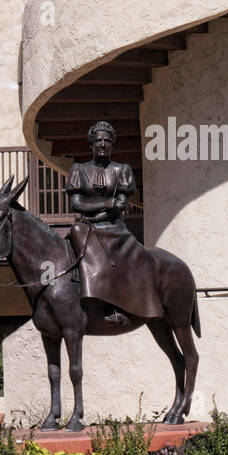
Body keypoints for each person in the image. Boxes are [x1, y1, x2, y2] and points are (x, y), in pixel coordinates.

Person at [65, 120, 162, 325]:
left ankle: (123, 303)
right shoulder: (79, 169)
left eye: (107, 141)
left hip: (113, 227)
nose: (102, 144)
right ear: (91, 144)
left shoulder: (122, 170)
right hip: (86, 226)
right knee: (72, 246)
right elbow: (76, 204)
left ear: (112, 145)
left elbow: (119, 206)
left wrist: (103, 211)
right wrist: (106, 203)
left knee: (128, 256)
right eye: (98, 140)